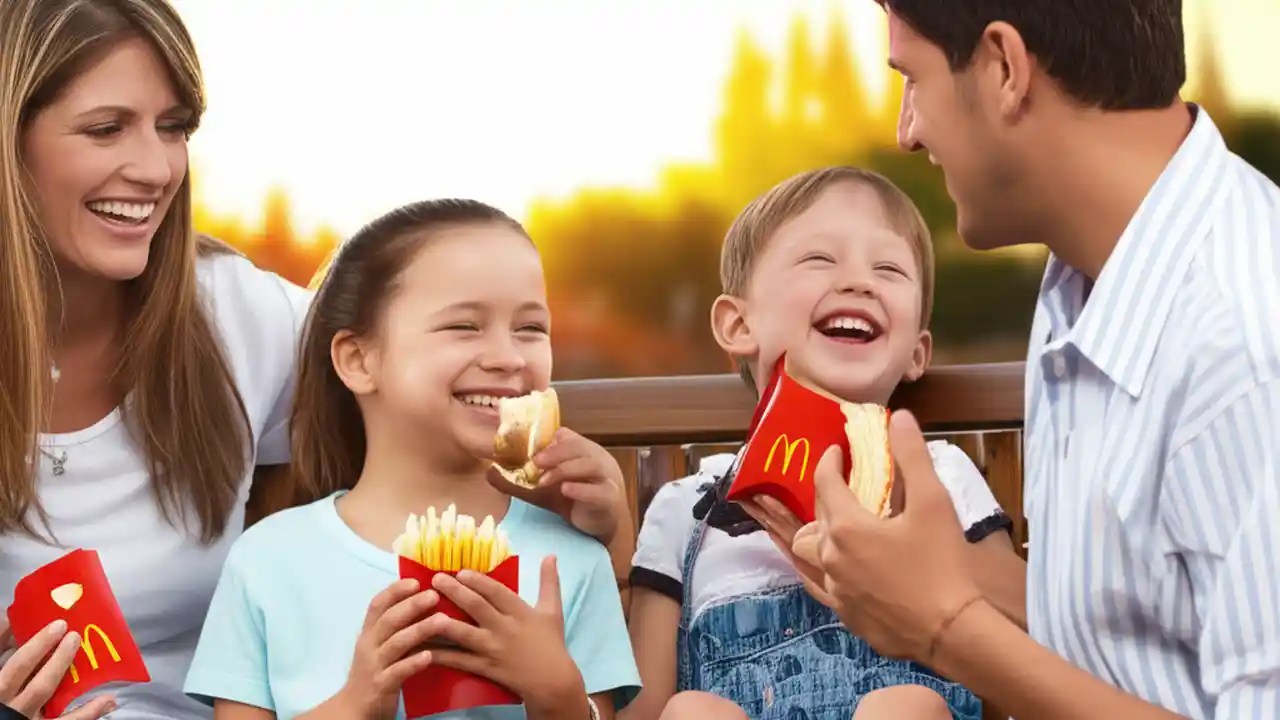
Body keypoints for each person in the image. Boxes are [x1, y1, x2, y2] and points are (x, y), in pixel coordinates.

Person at [774, 2, 1280, 719]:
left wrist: (945, 626)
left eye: (912, 80)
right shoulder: (1087, 278)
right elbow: (1118, 645)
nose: (906, 130)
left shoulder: (1249, 348)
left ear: (1004, 69)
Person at [182, 199, 642, 720]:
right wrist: (356, 704)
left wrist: (557, 695)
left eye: (531, 328)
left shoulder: (567, 559)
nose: (509, 357)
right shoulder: (268, 559)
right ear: (358, 361)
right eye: (464, 326)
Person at [0, 1, 313, 717]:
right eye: (107, 129)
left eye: (174, 128)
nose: (156, 168)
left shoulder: (240, 315)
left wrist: (594, 515)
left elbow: (423, 381)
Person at [622, 167, 1026, 720]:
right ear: (738, 324)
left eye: (887, 268)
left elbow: (1026, 638)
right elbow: (642, 710)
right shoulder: (686, 510)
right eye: (820, 260)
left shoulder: (938, 474)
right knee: (692, 712)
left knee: (904, 708)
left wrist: (908, 575)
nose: (860, 281)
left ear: (917, 352)